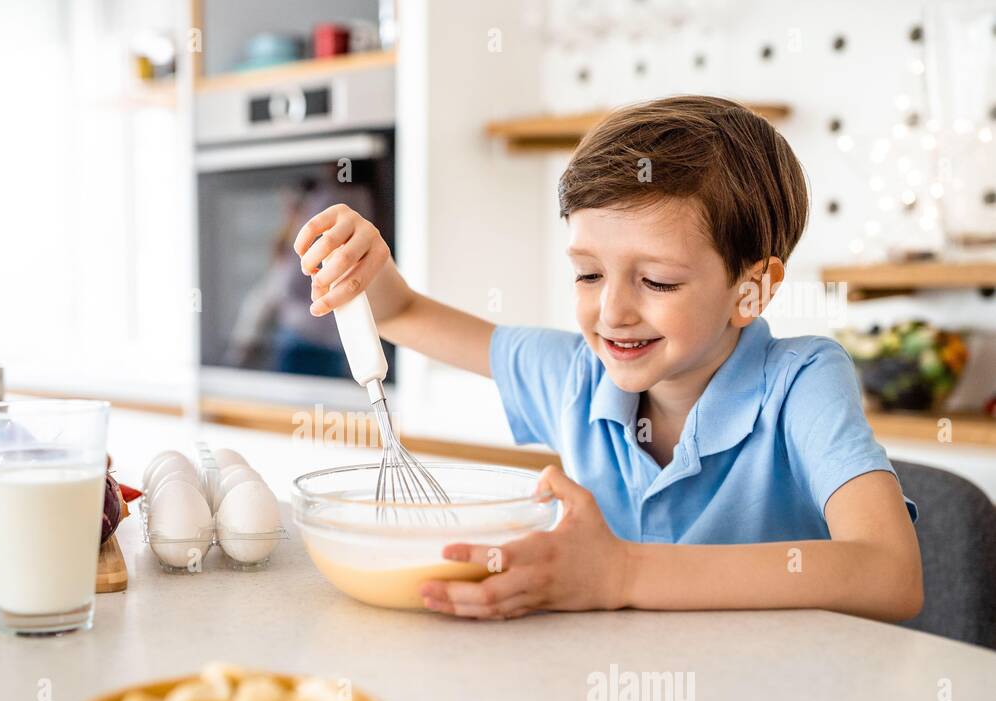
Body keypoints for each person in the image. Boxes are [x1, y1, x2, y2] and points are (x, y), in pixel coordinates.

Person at [292, 95, 922, 622]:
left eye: (659, 282)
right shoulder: (574, 376)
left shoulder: (803, 382)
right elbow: (401, 315)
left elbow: (891, 574)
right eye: (589, 274)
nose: (612, 312)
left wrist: (620, 573)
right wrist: (369, 267)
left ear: (751, 288)